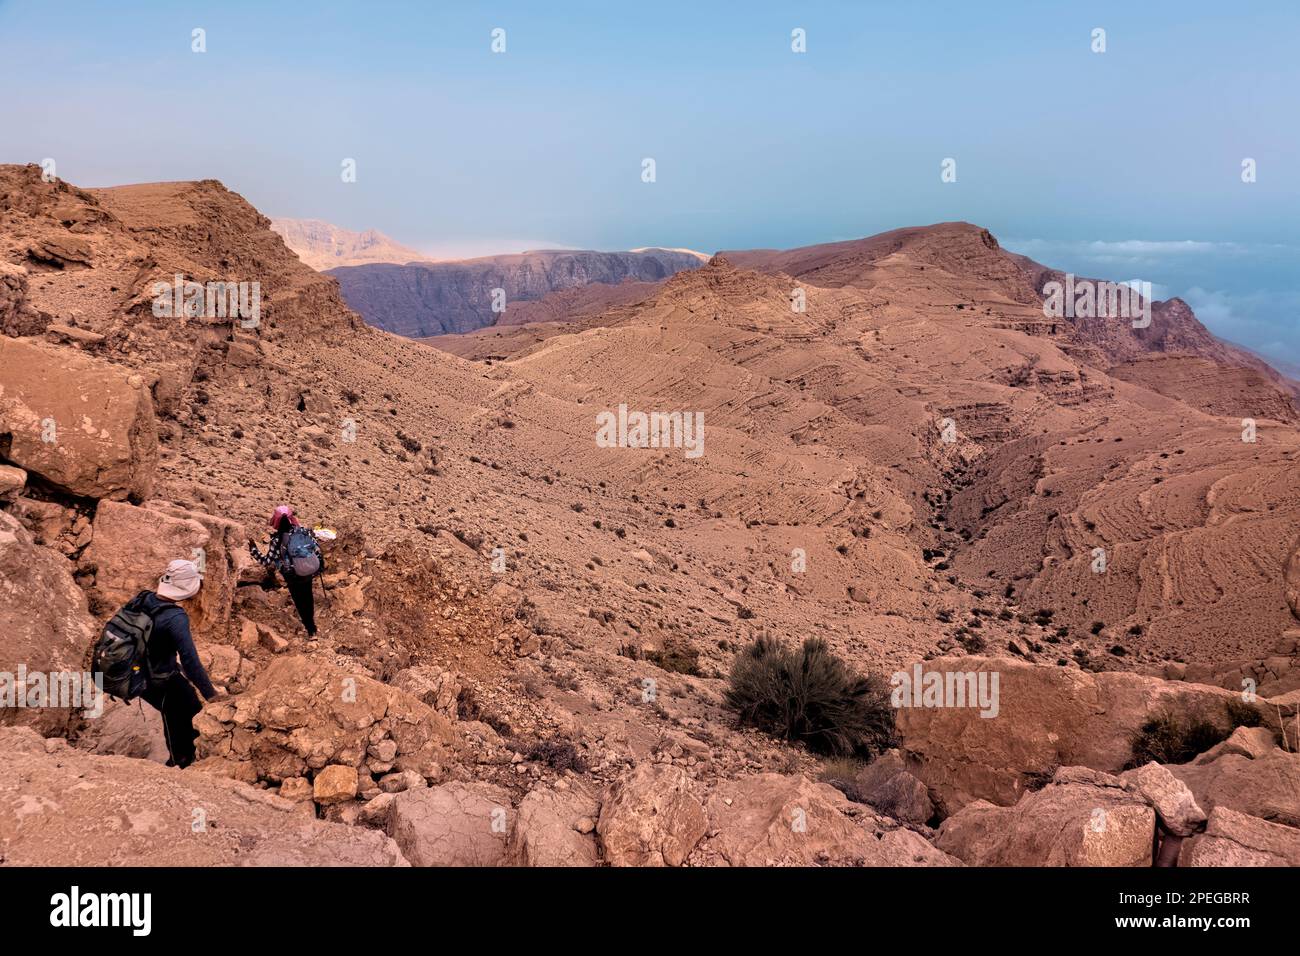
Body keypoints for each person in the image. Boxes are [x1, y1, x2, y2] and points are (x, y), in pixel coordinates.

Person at [138, 559, 218, 769]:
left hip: (136, 669)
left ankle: (180, 756)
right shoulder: (175, 617)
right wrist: (212, 694)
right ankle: (180, 762)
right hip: (156, 677)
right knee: (186, 709)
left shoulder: (145, 598)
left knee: (178, 707)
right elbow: (191, 662)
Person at [249, 504, 323, 638]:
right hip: (307, 570)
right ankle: (312, 626)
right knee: (308, 597)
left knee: (299, 601)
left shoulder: (277, 540)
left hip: (292, 576)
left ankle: (310, 630)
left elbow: (266, 561)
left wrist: (253, 550)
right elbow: (316, 547)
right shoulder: (302, 531)